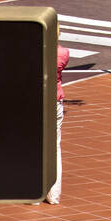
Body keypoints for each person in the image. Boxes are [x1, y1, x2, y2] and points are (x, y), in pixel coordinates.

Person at [45, 44, 70, 204]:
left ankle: (34, 193)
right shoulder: (63, 52)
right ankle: (53, 194)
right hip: (55, 101)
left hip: (35, 100)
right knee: (54, 146)